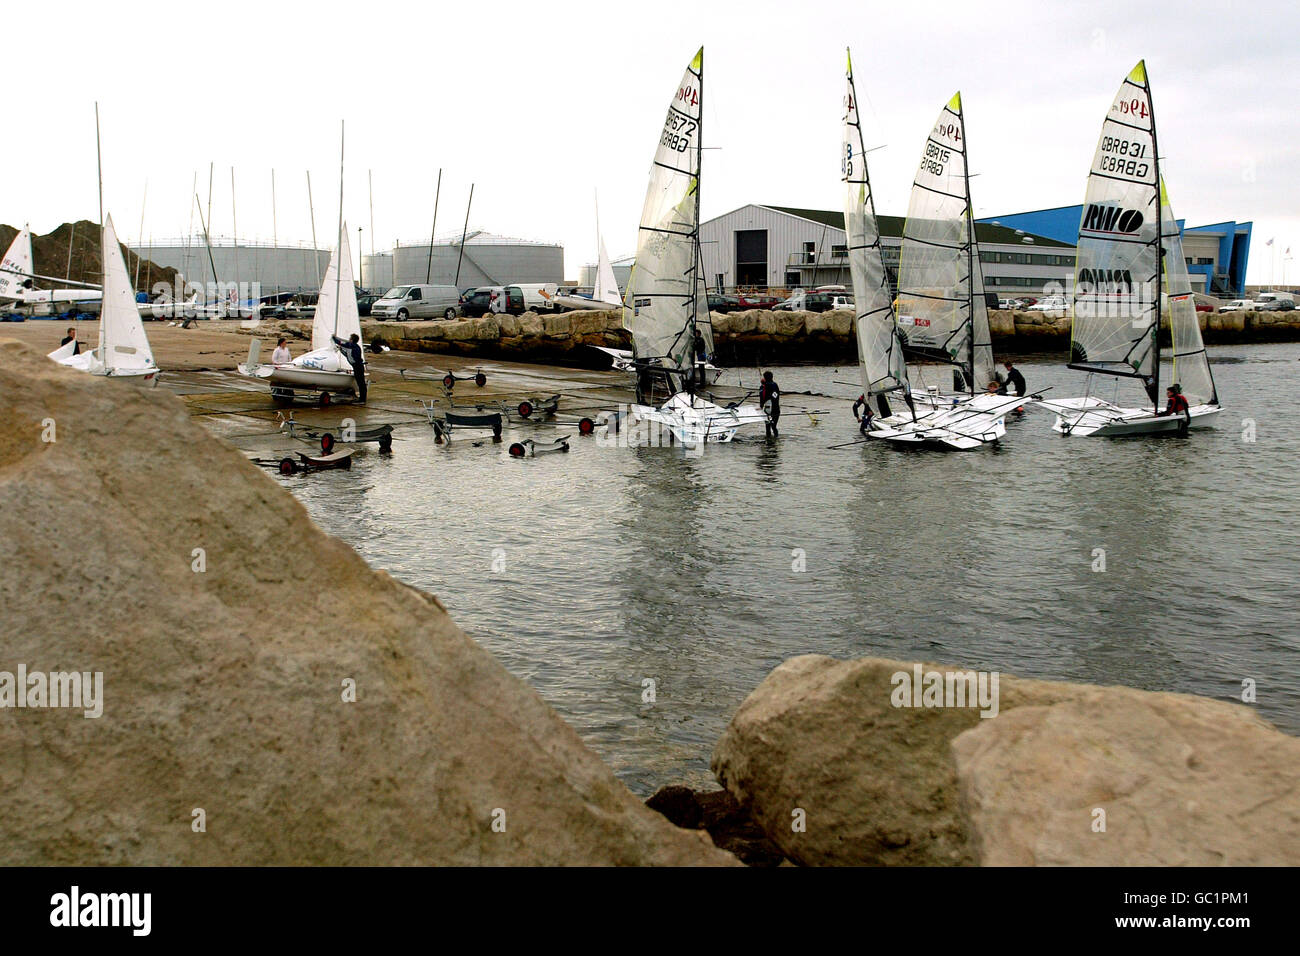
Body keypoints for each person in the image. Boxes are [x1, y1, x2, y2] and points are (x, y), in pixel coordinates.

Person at [332, 332, 367, 403]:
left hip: (358, 366)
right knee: (360, 383)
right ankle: (362, 398)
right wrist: (341, 349)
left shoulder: (352, 345)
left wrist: (333, 338)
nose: (349, 340)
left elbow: (340, 343)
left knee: (361, 383)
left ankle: (362, 400)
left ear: (352, 340)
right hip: (357, 366)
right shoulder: (353, 346)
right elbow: (348, 355)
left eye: (350, 339)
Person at [759, 370, 780, 438]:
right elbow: (775, 395)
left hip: (768, 409)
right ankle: (776, 439)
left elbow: (762, 398)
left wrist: (760, 407)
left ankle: (768, 442)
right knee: (774, 426)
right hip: (776, 408)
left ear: (764, 378)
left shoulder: (764, 386)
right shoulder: (775, 384)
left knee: (768, 427)